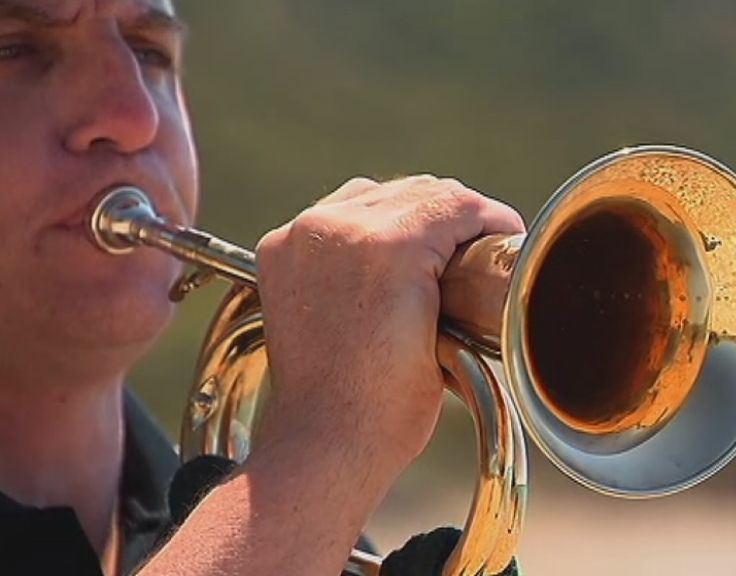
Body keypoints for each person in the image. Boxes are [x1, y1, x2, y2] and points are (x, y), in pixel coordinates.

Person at [0, 0, 525, 574]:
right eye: (15, 49)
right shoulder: (292, 506)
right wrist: (322, 450)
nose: (134, 116)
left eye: (149, 52)